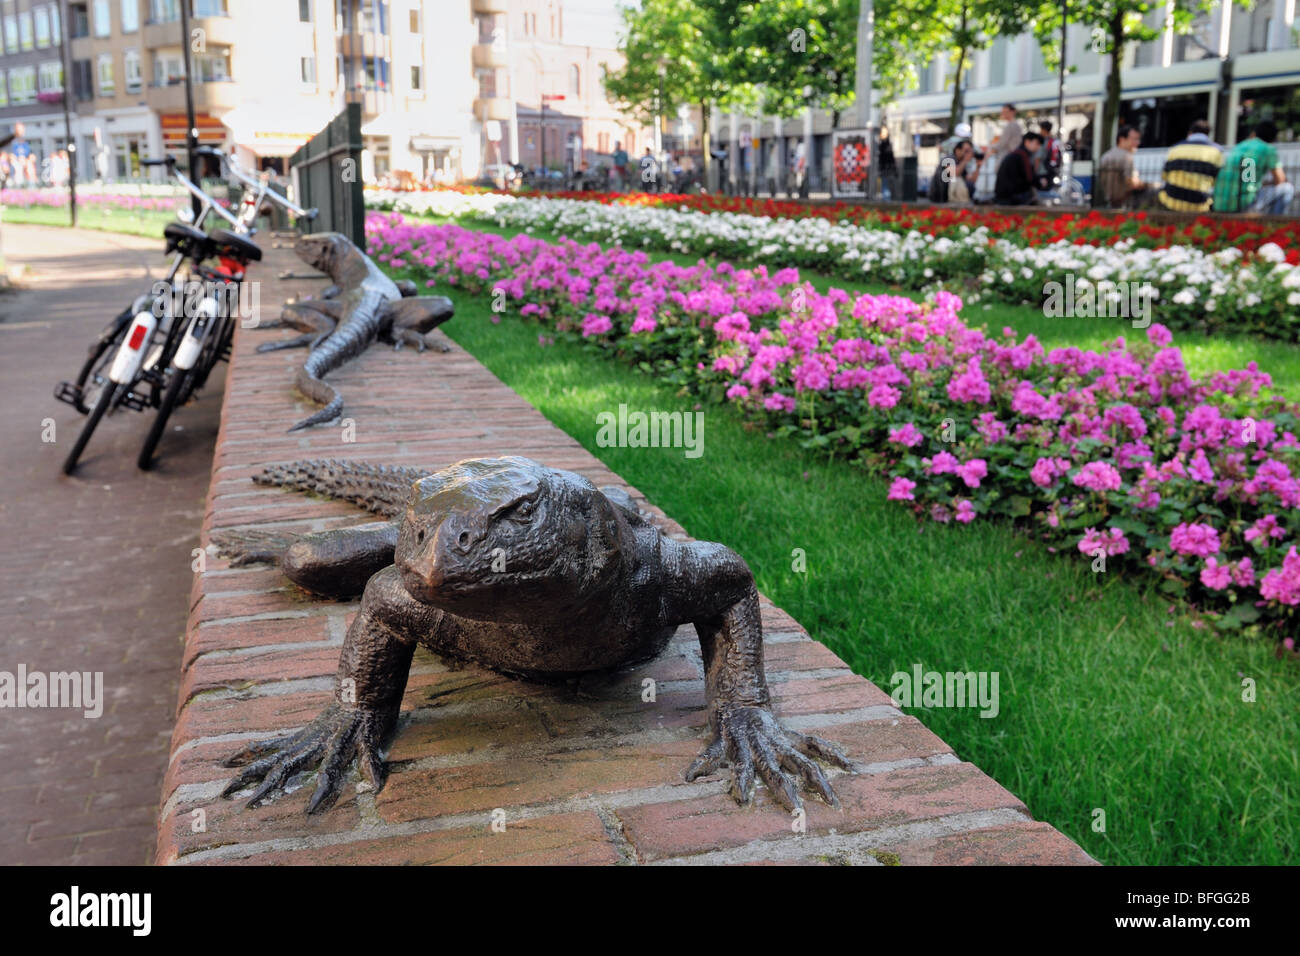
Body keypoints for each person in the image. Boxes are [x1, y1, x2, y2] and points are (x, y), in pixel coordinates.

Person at [1214, 120, 1294, 215]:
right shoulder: (1268, 149)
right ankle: (1274, 222)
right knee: (1287, 188)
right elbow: (1280, 179)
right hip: (1244, 205)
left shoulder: (1239, 146)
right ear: (1273, 139)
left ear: (1254, 133)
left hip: (1220, 204)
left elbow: (1246, 179)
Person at [1157, 119, 1223, 213]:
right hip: (1200, 204)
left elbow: (1164, 176)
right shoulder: (1216, 152)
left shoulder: (1176, 149)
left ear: (1190, 133)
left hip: (1172, 201)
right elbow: (1217, 181)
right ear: (1208, 134)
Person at [1097, 125, 1155, 208]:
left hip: (1110, 200)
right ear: (1122, 139)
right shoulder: (1127, 157)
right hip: (1128, 201)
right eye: (1134, 139)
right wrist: (1149, 185)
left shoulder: (1105, 156)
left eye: (1138, 139)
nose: (1138, 143)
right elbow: (1131, 183)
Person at [994, 129, 1045, 205]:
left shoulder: (1017, 153)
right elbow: (1030, 178)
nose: (1038, 147)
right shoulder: (1022, 155)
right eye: (1037, 143)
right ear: (1027, 142)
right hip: (1011, 197)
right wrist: (1040, 183)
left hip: (1004, 195)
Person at [930, 139, 984, 204]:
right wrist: (965, 160)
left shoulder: (961, 163)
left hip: (949, 194)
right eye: (966, 151)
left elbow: (972, 180)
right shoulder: (948, 159)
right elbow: (954, 174)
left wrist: (978, 167)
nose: (969, 154)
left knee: (971, 185)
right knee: (958, 180)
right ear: (957, 150)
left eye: (970, 151)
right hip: (940, 196)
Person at [1034, 120, 1063, 200]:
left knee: (1042, 193)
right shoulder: (1054, 141)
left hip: (1042, 171)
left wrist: (1035, 170)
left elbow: (1038, 158)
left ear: (1043, 129)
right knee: (1048, 191)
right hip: (1052, 169)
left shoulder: (1044, 141)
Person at [878, 126, 896, 200]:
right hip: (886, 168)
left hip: (885, 168)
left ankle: (886, 198)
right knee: (886, 184)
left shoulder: (884, 144)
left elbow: (888, 157)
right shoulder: (886, 144)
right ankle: (886, 197)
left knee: (885, 184)